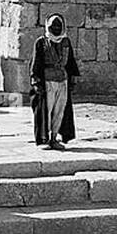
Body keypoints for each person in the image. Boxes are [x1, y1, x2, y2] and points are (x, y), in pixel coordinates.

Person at [30, 13, 80, 150]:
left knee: (60, 111)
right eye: (53, 26)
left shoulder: (66, 42)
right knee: (47, 110)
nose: (56, 28)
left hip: (62, 80)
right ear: (48, 26)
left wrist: (73, 80)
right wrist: (35, 81)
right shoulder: (41, 42)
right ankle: (44, 139)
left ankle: (54, 138)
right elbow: (36, 63)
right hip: (47, 81)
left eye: (59, 25)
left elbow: (70, 62)